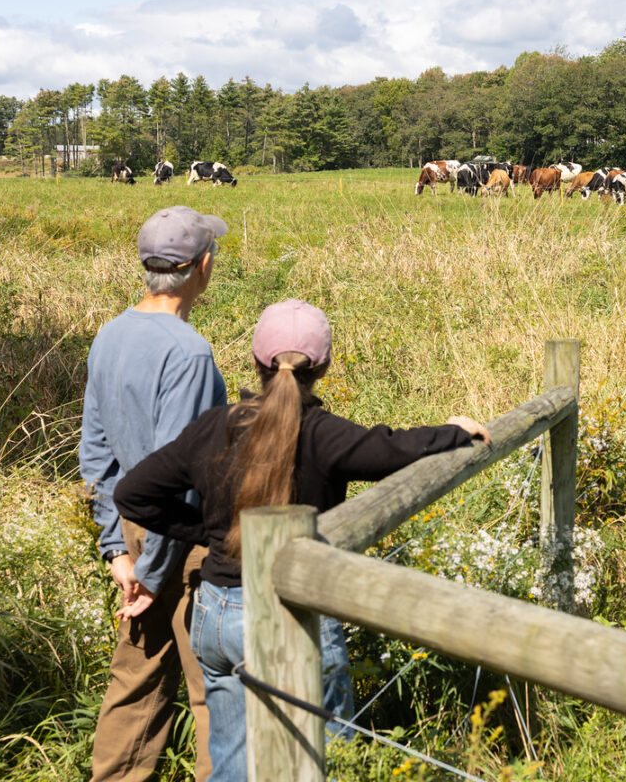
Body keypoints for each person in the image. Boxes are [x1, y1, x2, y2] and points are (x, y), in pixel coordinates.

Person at [113, 299, 490, 781]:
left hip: (215, 614)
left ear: (255, 360)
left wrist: (212, 532)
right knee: (326, 759)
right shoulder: (322, 434)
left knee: (231, 762)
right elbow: (392, 447)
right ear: (324, 367)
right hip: (291, 607)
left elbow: (132, 493)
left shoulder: (216, 426)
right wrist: (451, 432)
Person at [79, 206, 229, 782]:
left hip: (135, 531)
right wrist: (154, 571)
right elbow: (177, 475)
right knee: (213, 685)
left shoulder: (111, 332)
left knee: (134, 677)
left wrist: (118, 549)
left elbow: (96, 451)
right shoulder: (188, 352)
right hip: (184, 540)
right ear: (202, 267)